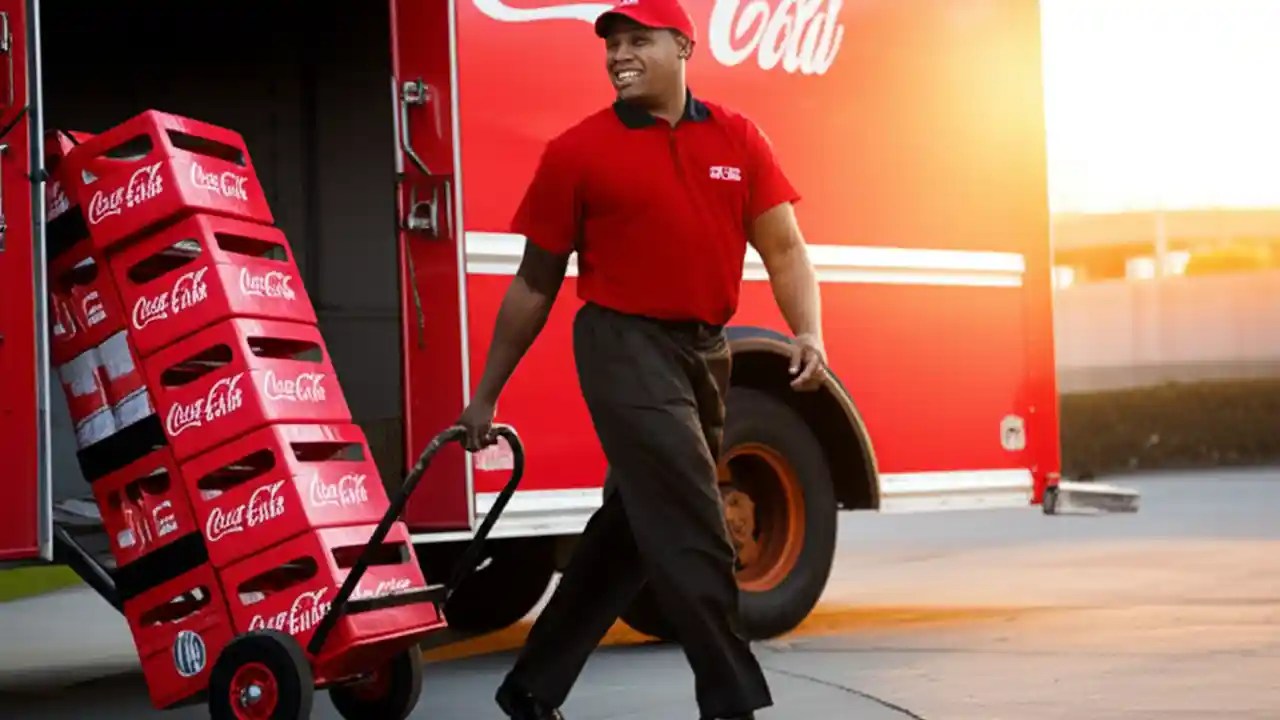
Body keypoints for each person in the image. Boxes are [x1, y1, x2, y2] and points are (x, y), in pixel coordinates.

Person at [456, 0, 827, 717]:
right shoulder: (576, 153)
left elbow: (784, 248)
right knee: (693, 516)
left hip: (705, 351)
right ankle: (732, 702)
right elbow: (535, 284)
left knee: (633, 527)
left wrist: (808, 331)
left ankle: (530, 688)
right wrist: (486, 394)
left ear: (682, 45)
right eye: (611, 45)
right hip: (621, 343)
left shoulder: (737, 138)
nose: (618, 55)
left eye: (637, 41)